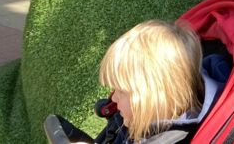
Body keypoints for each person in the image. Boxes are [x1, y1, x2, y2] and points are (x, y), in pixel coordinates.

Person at [88, 20, 224, 144]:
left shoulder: (169, 140)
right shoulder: (148, 116)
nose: (114, 97)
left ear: (155, 100)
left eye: (121, 91)